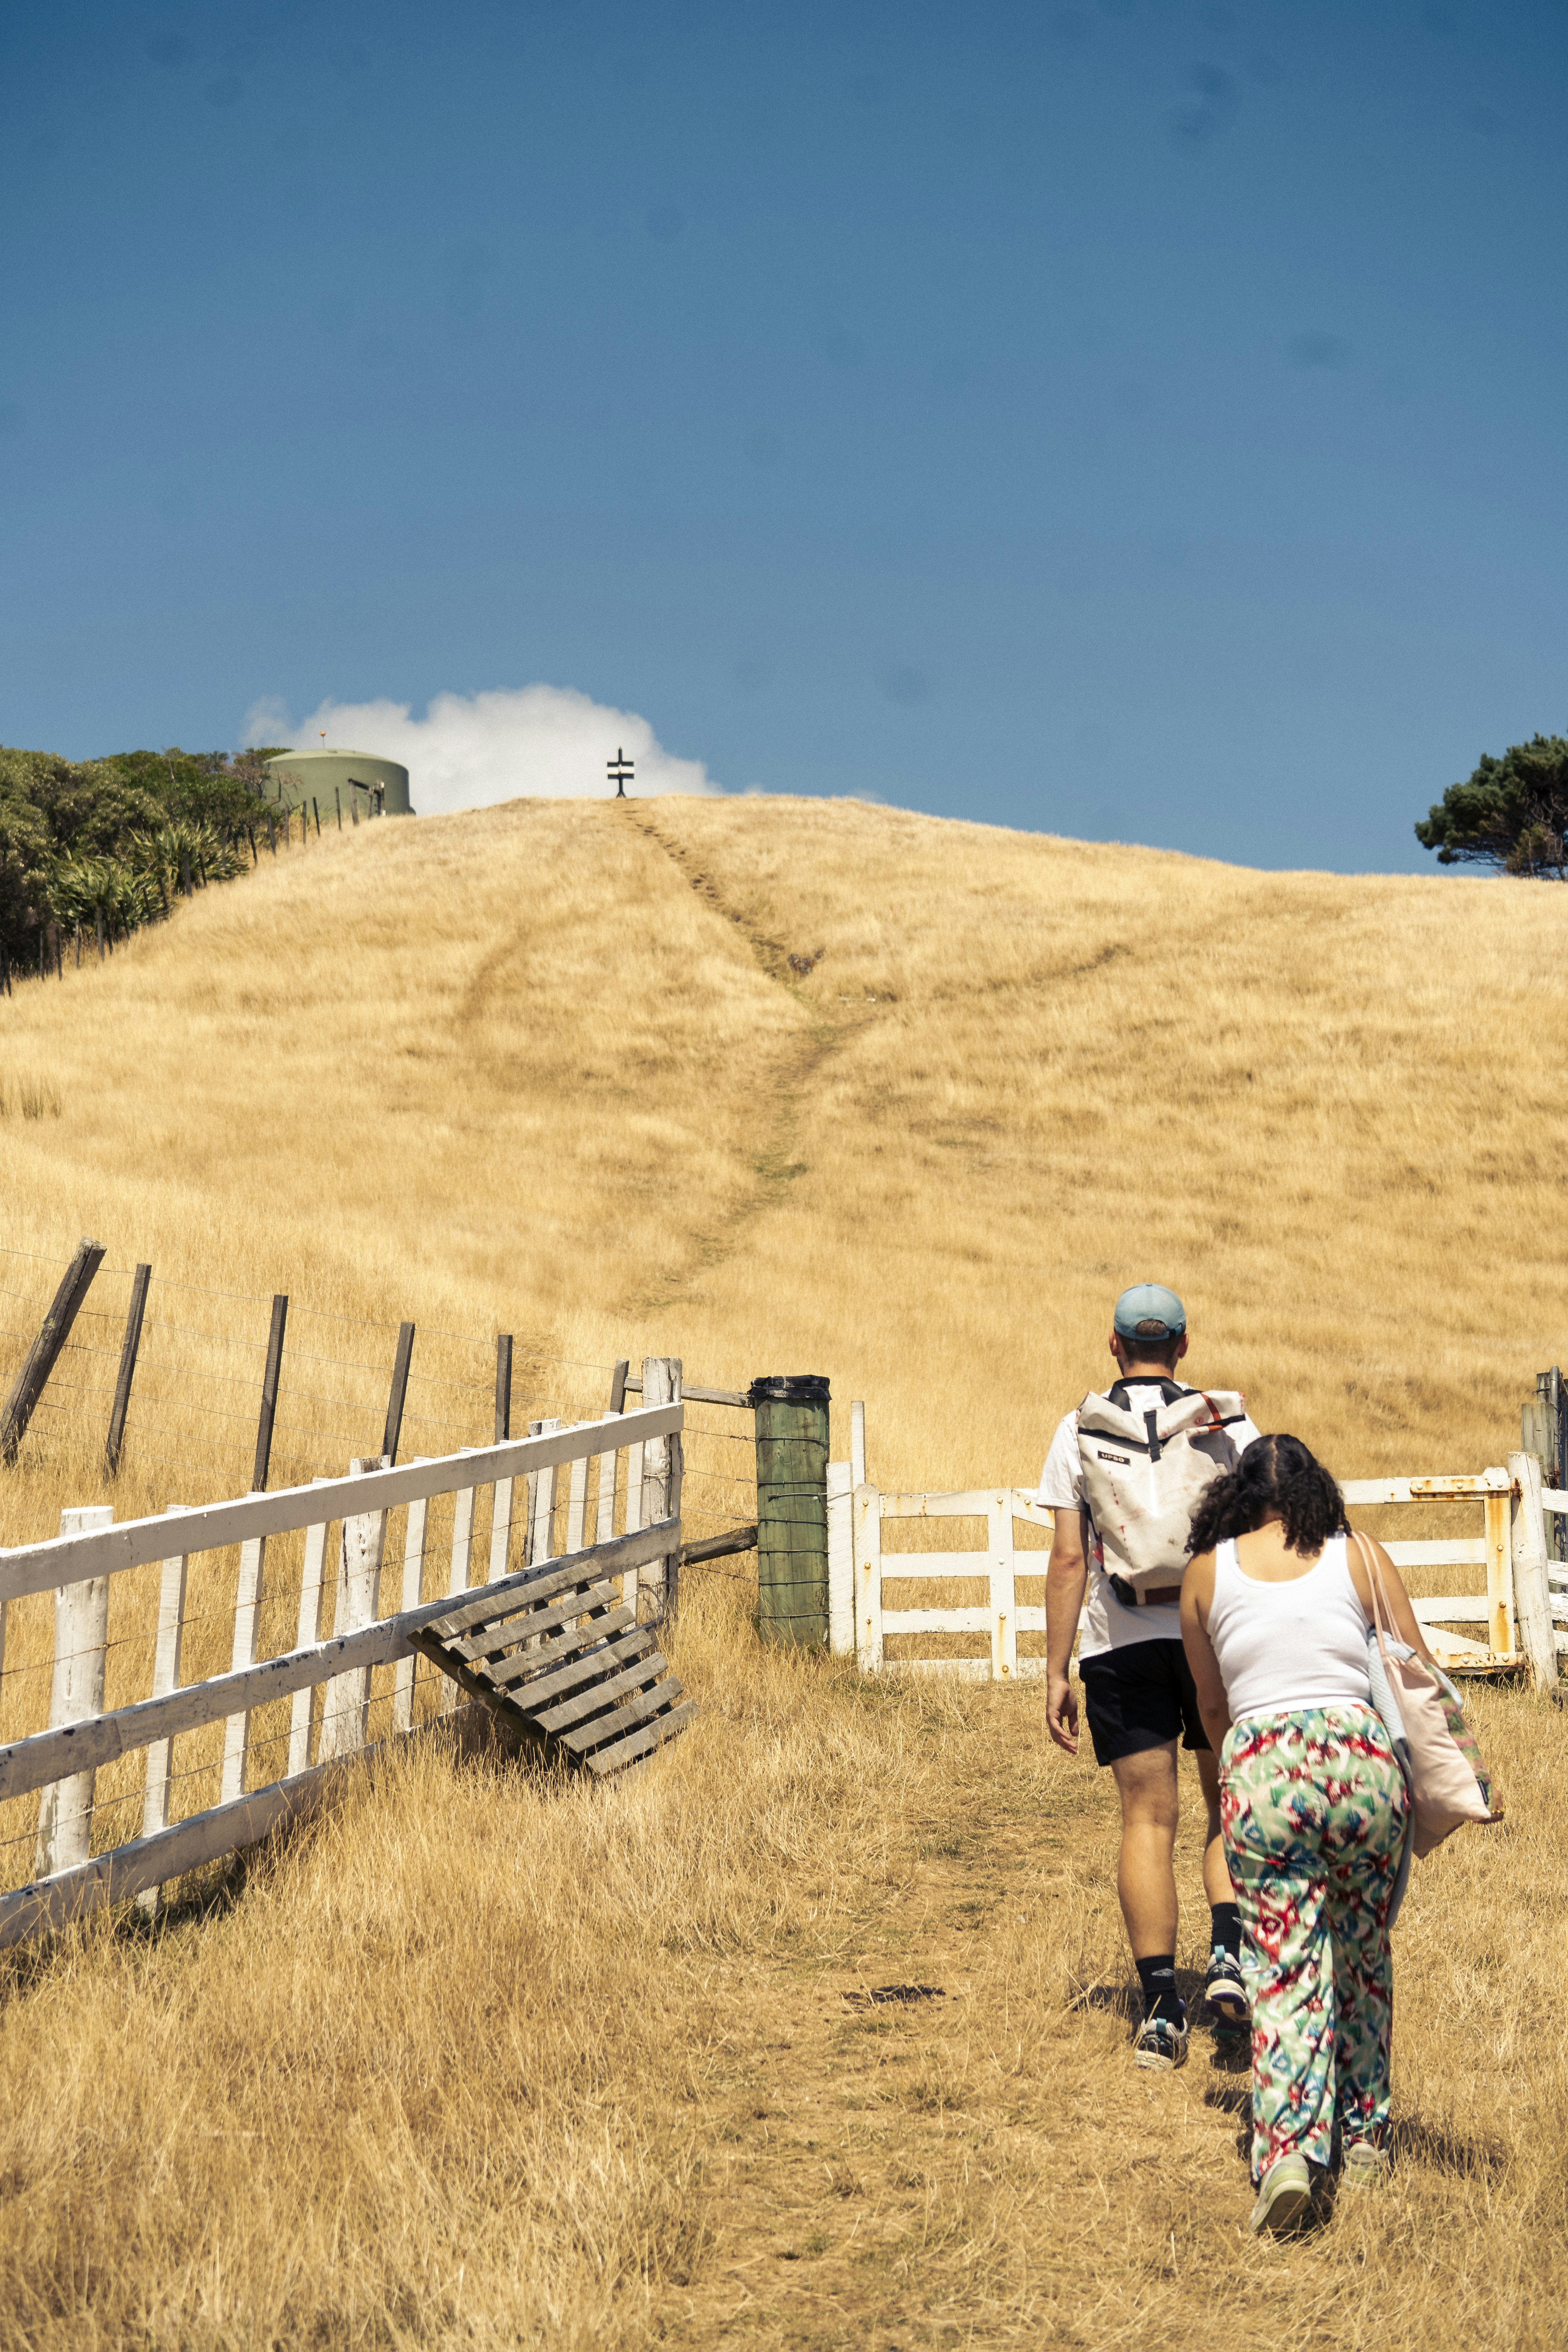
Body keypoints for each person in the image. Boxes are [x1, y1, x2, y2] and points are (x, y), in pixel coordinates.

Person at [1181, 1433, 1427, 2235]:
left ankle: (1288, 2150)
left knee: (1284, 1966)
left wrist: (1241, 1775)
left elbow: (1211, 1710)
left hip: (1263, 1762)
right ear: (1316, 1491)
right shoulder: (1357, 1555)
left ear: (1238, 1499)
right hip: (1361, 1762)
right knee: (1362, 1951)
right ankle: (1363, 2137)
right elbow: (1414, 1669)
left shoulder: (1204, 1576)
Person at [1042, 1283, 1260, 2069]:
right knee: (1224, 1800)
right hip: (1215, 1636)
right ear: (1182, 1345)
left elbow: (1069, 1557)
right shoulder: (1229, 1424)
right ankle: (1232, 1956)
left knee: (1146, 1820)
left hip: (1117, 1643)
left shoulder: (1077, 1431)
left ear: (1112, 1346)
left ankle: (1161, 2010)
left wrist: (1055, 1670)